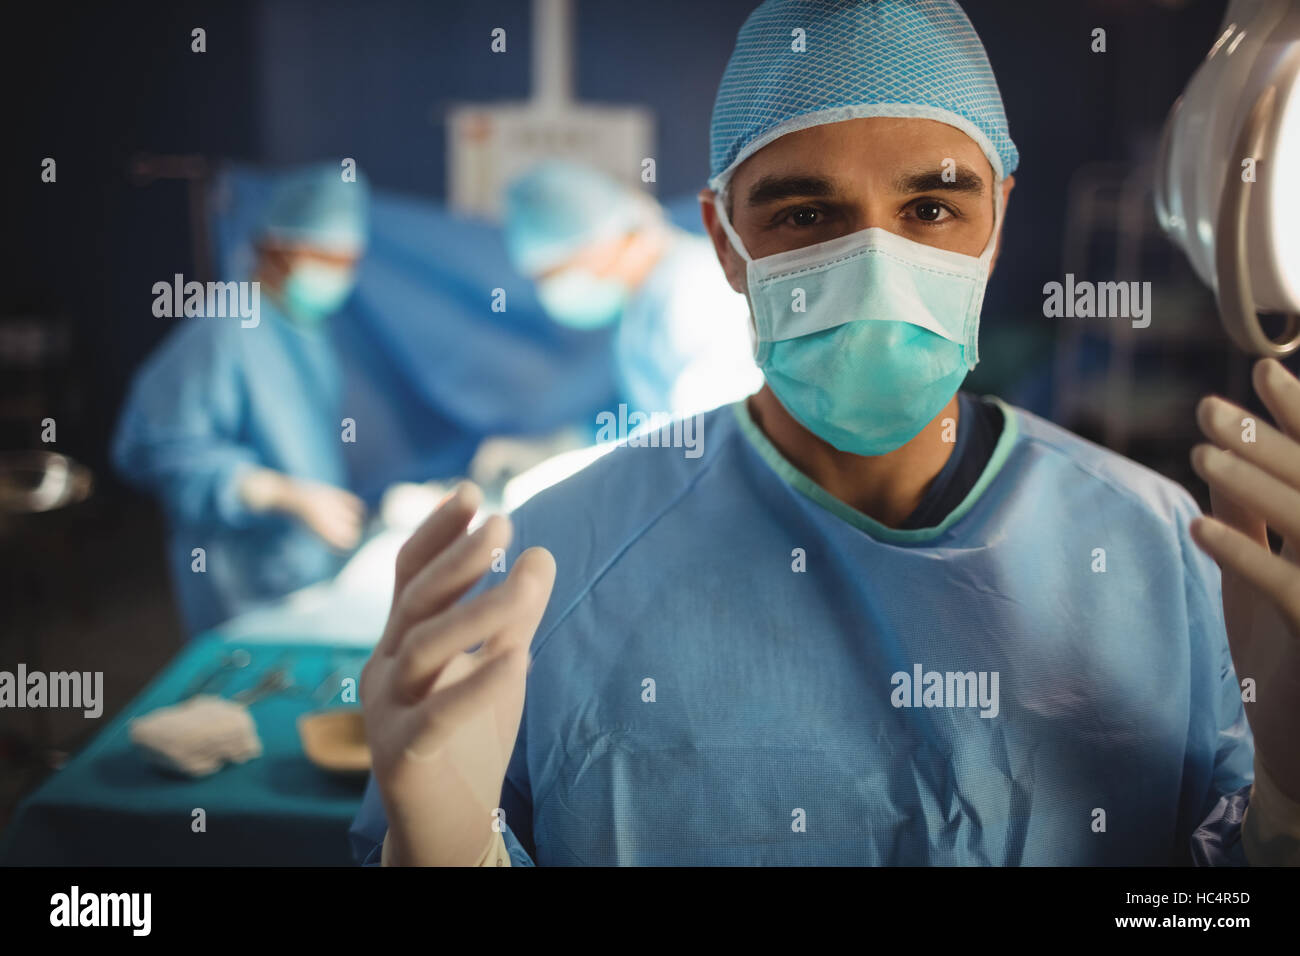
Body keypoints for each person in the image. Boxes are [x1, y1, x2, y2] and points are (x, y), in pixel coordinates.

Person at [351, 0, 1300, 866]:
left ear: (998, 219)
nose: (881, 269)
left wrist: (1286, 809)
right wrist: (443, 853)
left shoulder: (1160, 554)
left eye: (932, 208)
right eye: (808, 214)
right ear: (726, 241)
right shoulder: (552, 570)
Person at [114, 163, 370, 635]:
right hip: (240, 576)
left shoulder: (303, 327)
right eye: (329, 261)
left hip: (304, 565)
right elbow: (163, 452)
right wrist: (278, 492)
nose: (341, 276)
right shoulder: (222, 333)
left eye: (350, 263)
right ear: (275, 249)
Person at [503, 160, 762, 419]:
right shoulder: (644, 303)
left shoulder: (693, 291)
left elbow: (706, 432)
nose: (552, 289)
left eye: (558, 272)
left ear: (610, 240)